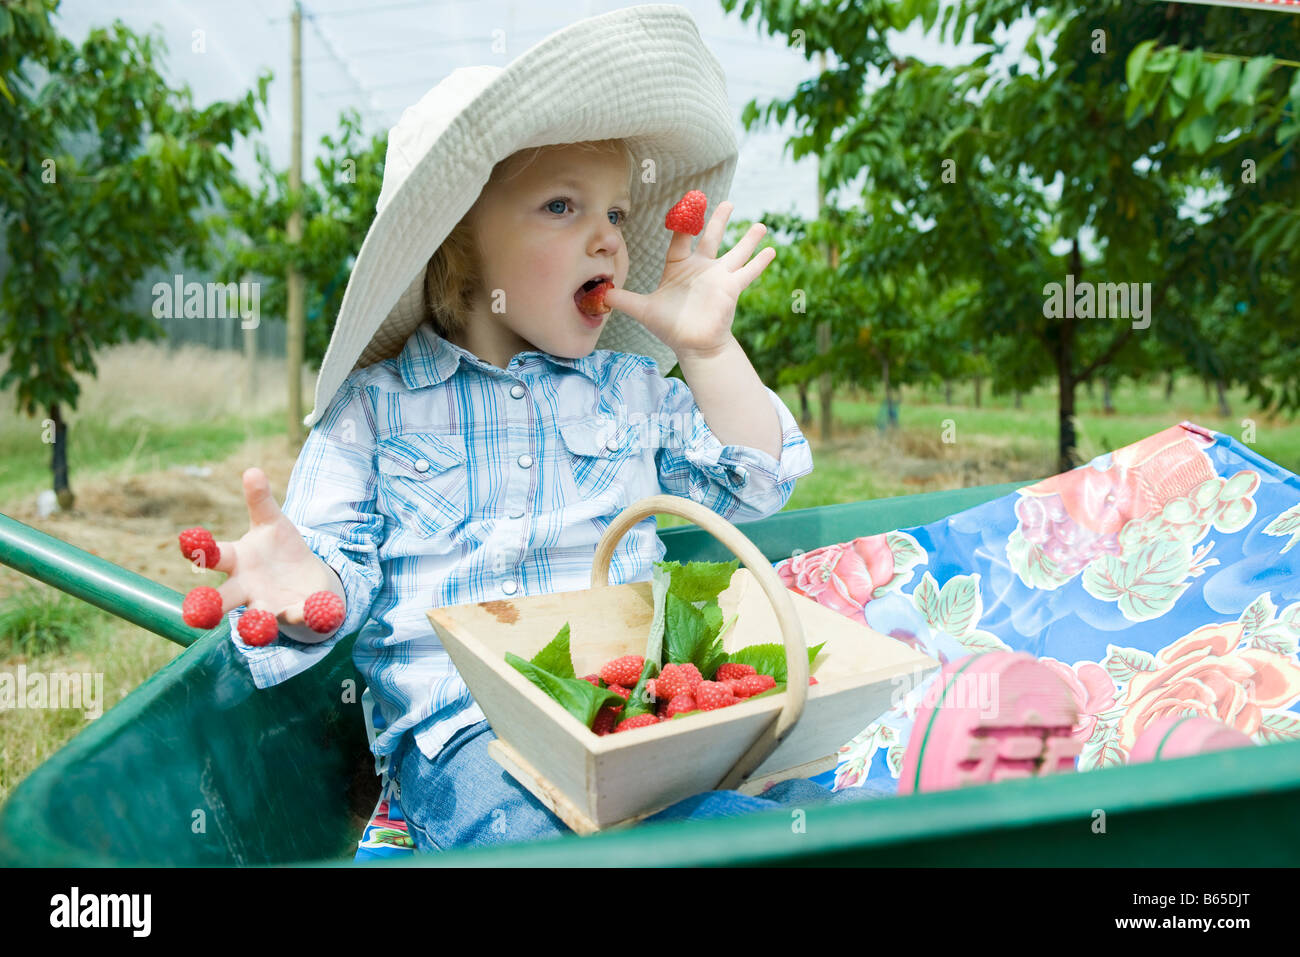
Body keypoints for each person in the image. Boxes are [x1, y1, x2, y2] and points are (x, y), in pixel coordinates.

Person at [203, 6, 853, 852]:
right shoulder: (376, 410)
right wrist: (302, 585)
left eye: (618, 216)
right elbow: (336, 582)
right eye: (561, 206)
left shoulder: (624, 390)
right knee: (528, 834)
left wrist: (708, 347)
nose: (610, 240)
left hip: (641, 716)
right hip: (474, 736)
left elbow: (755, 481)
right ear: (458, 242)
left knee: (791, 786)